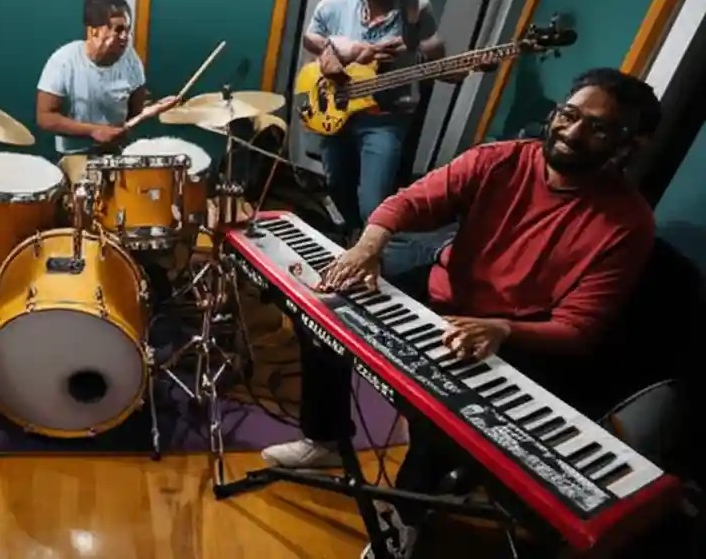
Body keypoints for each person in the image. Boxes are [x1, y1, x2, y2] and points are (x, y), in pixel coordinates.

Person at [260, 68, 661, 558]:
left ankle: (405, 518)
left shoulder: (628, 223)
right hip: (442, 294)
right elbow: (407, 203)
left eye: (597, 128)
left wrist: (504, 328)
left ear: (628, 144)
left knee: (443, 409)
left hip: (510, 335)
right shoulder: (499, 160)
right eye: (569, 115)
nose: (573, 133)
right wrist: (369, 246)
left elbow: (578, 330)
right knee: (321, 316)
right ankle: (325, 437)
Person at [304, 0, 468, 238]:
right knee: (336, 183)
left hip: (385, 119)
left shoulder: (416, 8)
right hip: (336, 110)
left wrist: (460, 69)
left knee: (374, 203)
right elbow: (311, 37)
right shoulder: (335, 2)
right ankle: (351, 232)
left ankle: (370, 251)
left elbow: (437, 58)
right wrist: (340, 52)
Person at [36, 0, 177, 166]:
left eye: (128, 29)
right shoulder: (63, 61)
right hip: (74, 154)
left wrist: (154, 108)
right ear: (93, 31)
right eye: (118, 30)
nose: (126, 37)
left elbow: (135, 111)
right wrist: (94, 131)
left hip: (116, 154)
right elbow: (45, 117)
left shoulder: (131, 60)